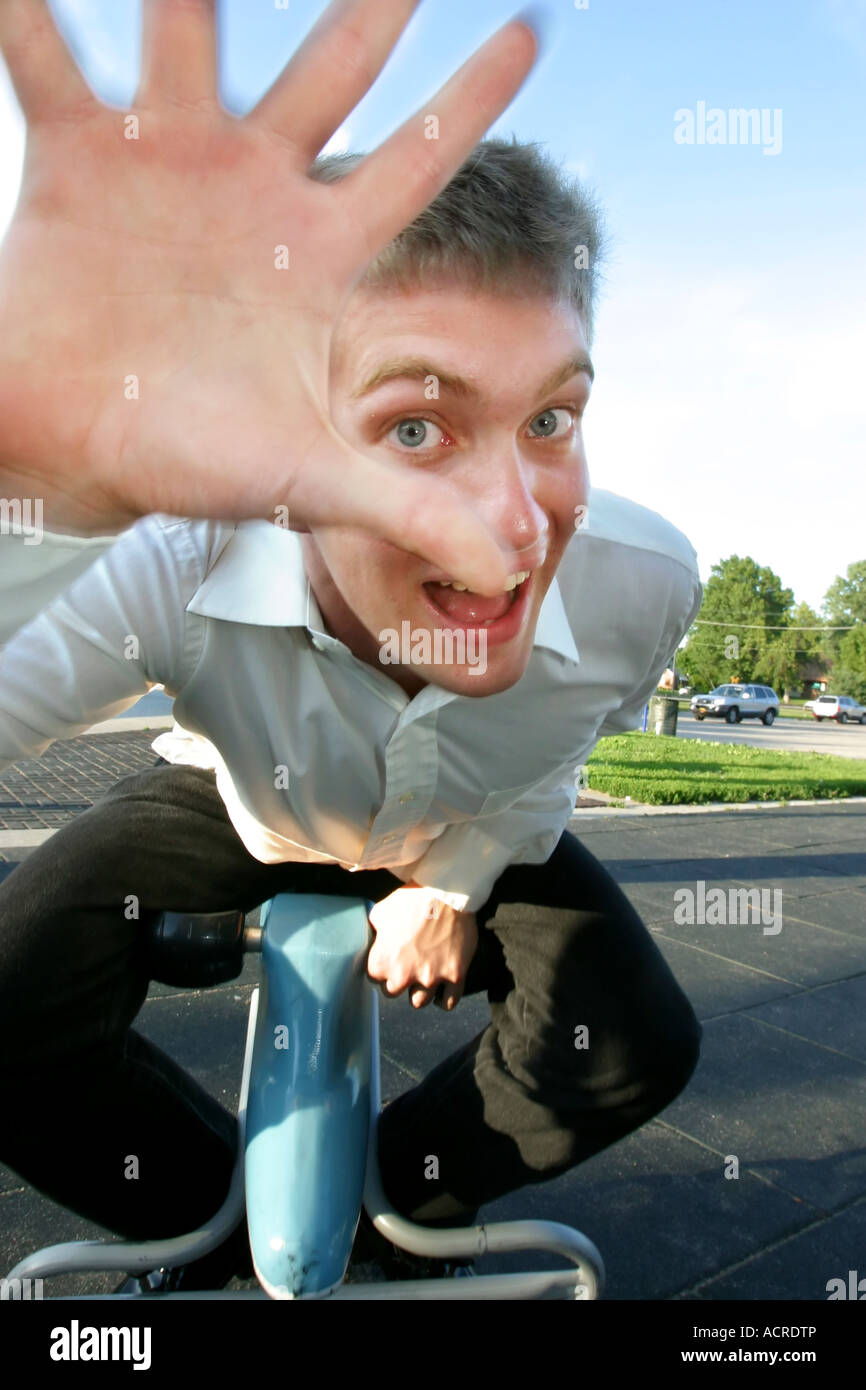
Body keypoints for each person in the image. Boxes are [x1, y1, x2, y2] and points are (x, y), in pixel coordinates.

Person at [0, 6, 704, 1293]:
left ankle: (394, 1212)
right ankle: (212, 1201)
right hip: (250, 806)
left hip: (460, 822)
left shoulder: (637, 582)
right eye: (419, 429)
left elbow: (559, 737)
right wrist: (29, 482)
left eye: (550, 414)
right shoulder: (175, 561)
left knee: (637, 1040)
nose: (510, 525)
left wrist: (460, 876)